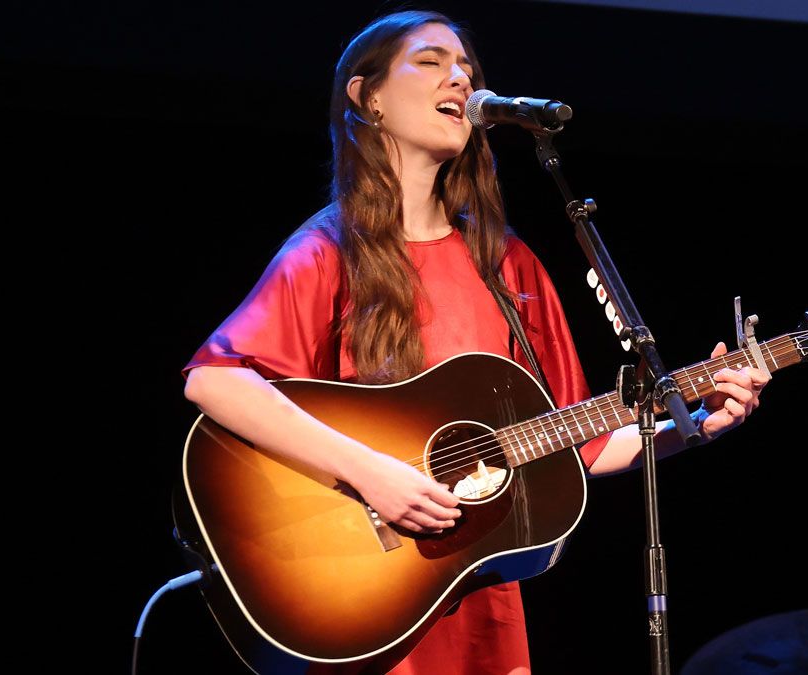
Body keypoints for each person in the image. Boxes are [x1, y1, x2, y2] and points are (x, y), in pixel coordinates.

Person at [182, 10, 768, 674]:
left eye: (467, 67)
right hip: (363, 589)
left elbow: (582, 440)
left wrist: (692, 424)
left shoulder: (506, 264)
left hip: (480, 603)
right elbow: (215, 379)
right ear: (366, 96)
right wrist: (371, 471)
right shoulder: (329, 248)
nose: (459, 77)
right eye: (430, 61)